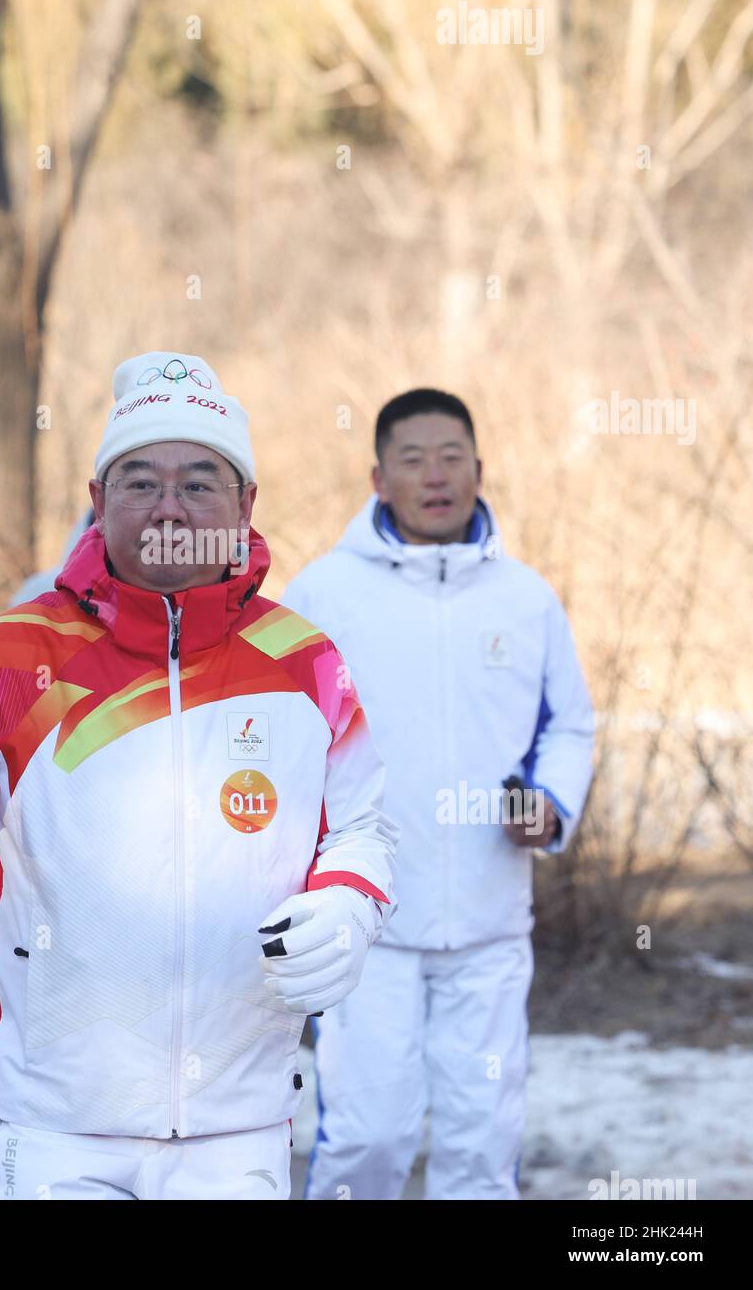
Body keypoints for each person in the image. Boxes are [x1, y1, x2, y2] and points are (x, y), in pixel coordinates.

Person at [0, 351, 399, 1201]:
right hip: (56, 1122)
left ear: (245, 504)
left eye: (200, 482)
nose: (169, 506)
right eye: (139, 481)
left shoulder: (306, 662)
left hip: (236, 1124)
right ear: (97, 503)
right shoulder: (8, 655)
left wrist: (350, 907)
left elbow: (359, 828)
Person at [282, 387, 594, 1200]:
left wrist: (552, 803)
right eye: (412, 459)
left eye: (451, 457)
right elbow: (280, 738)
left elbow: (569, 726)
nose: (434, 476)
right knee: (367, 1144)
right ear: (377, 476)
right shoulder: (323, 596)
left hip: (489, 930)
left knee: (480, 1154)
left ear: (479, 470)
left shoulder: (523, 598)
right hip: (368, 926)